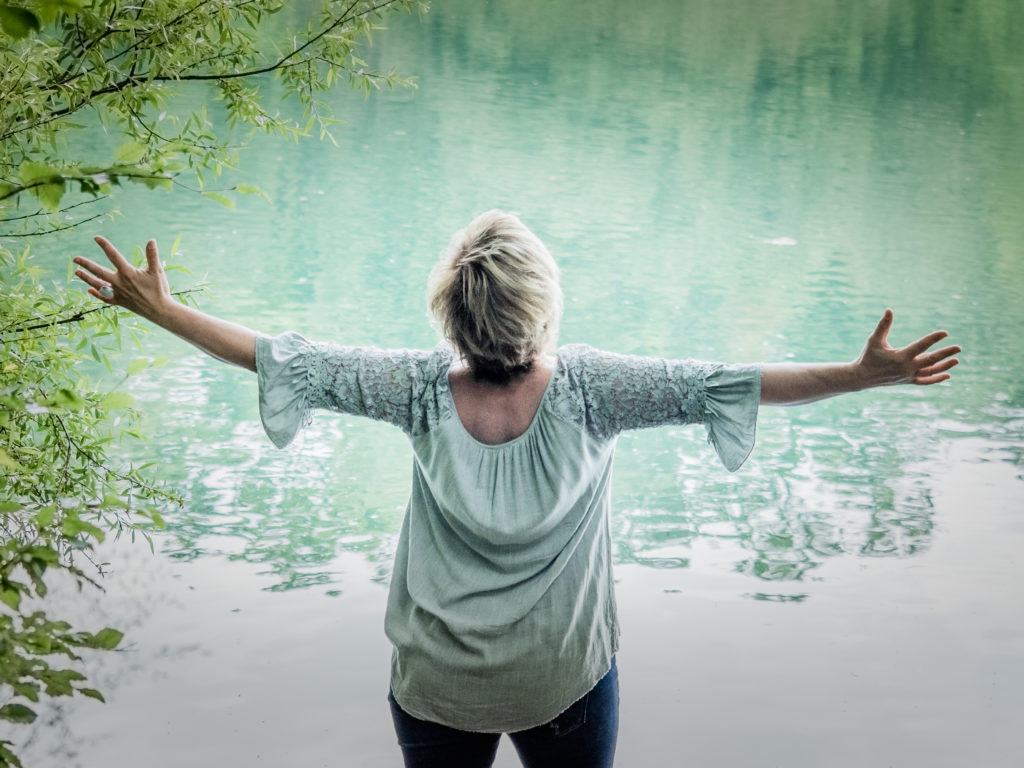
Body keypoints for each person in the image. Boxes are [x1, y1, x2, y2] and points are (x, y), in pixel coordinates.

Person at [73, 210, 960, 768]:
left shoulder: (415, 387)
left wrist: (163, 310)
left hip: (436, 683)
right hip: (563, 679)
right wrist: (858, 376)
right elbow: (736, 380)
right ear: (543, 306)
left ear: (450, 314)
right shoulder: (596, 389)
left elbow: (281, 358)